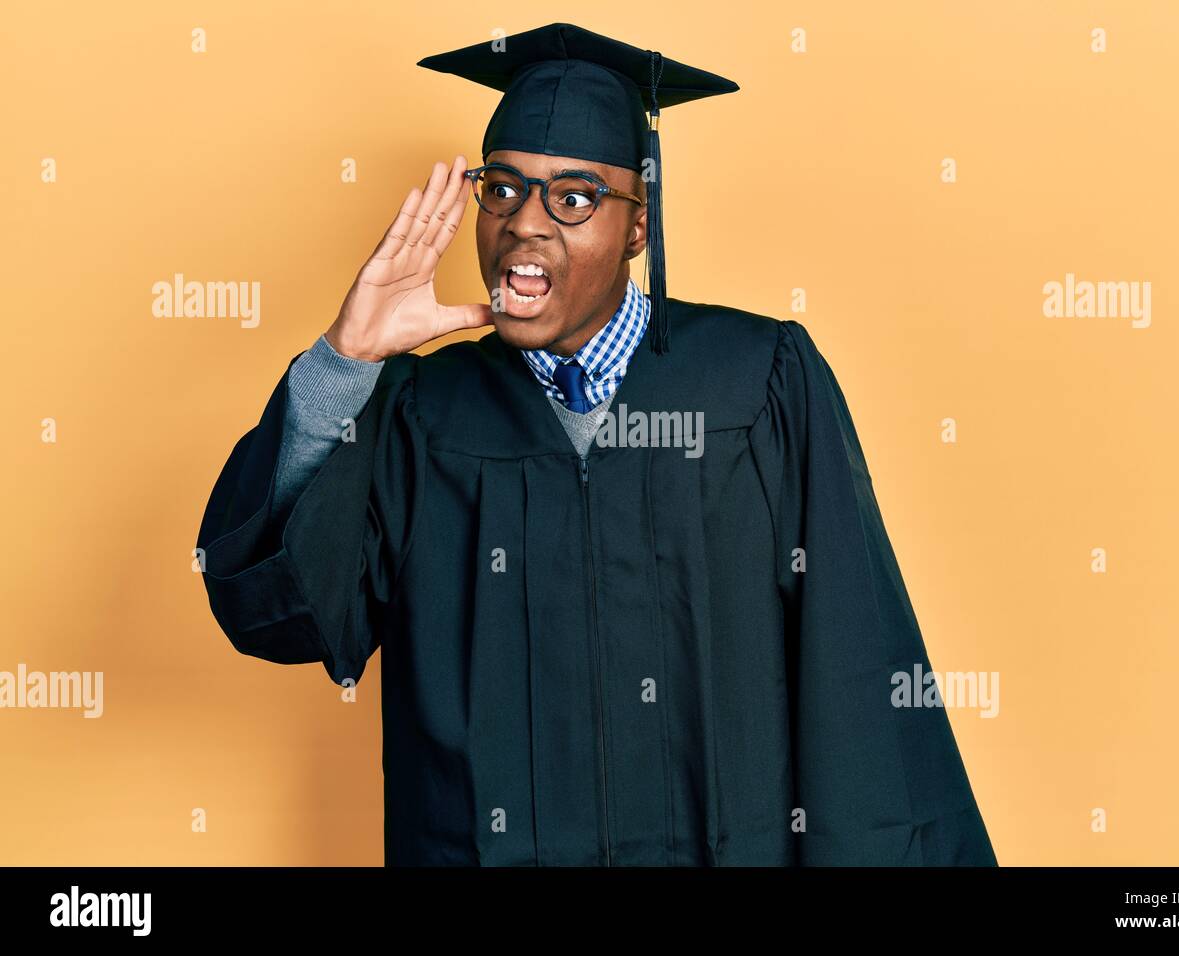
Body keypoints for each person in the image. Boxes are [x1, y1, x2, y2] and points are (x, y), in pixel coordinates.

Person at [196, 22, 997, 866]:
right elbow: (287, 617)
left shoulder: (758, 385)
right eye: (501, 190)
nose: (524, 224)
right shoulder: (422, 410)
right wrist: (343, 362)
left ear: (638, 228)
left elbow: (857, 664)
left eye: (574, 198)